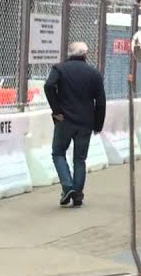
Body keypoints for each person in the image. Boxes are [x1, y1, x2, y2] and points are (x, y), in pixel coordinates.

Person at [43, 41, 106, 207]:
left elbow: (49, 86)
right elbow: (100, 102)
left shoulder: (60, 69)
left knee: (58, 152)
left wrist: (56, 110)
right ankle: (77, 194)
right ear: (85, 55)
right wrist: (98, 125)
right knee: (80, 158)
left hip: (64, 120)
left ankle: (67, 186)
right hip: (86, 121)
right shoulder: (94, 74)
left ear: (69, 53)